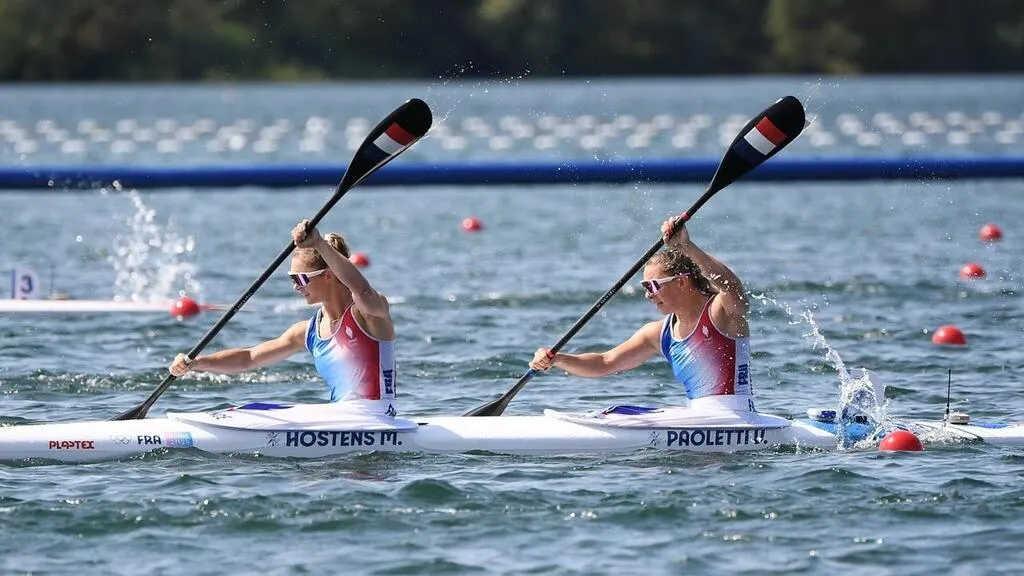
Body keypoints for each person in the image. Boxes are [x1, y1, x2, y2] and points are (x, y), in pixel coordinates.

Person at [530, 212, 756, 414]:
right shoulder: (658, 334)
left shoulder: (721, 312)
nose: (648, 295)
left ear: (681, 282)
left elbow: (731, 286)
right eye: (645, 287)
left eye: (653, 286)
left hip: (737, 418)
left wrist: (686, 246)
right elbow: (605, 362)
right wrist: (557, 359)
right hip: (698, 418)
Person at [169, 219, 397, 416]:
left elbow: (363, 290)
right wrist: (197, 364)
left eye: (300, 279)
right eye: (292, 278)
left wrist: (319, 244)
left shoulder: (369, 314)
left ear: (329, 275)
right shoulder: (307, 331)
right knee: (252, 410)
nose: (295, 286)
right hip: (340, 417)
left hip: (377, 418)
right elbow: (249, 358)